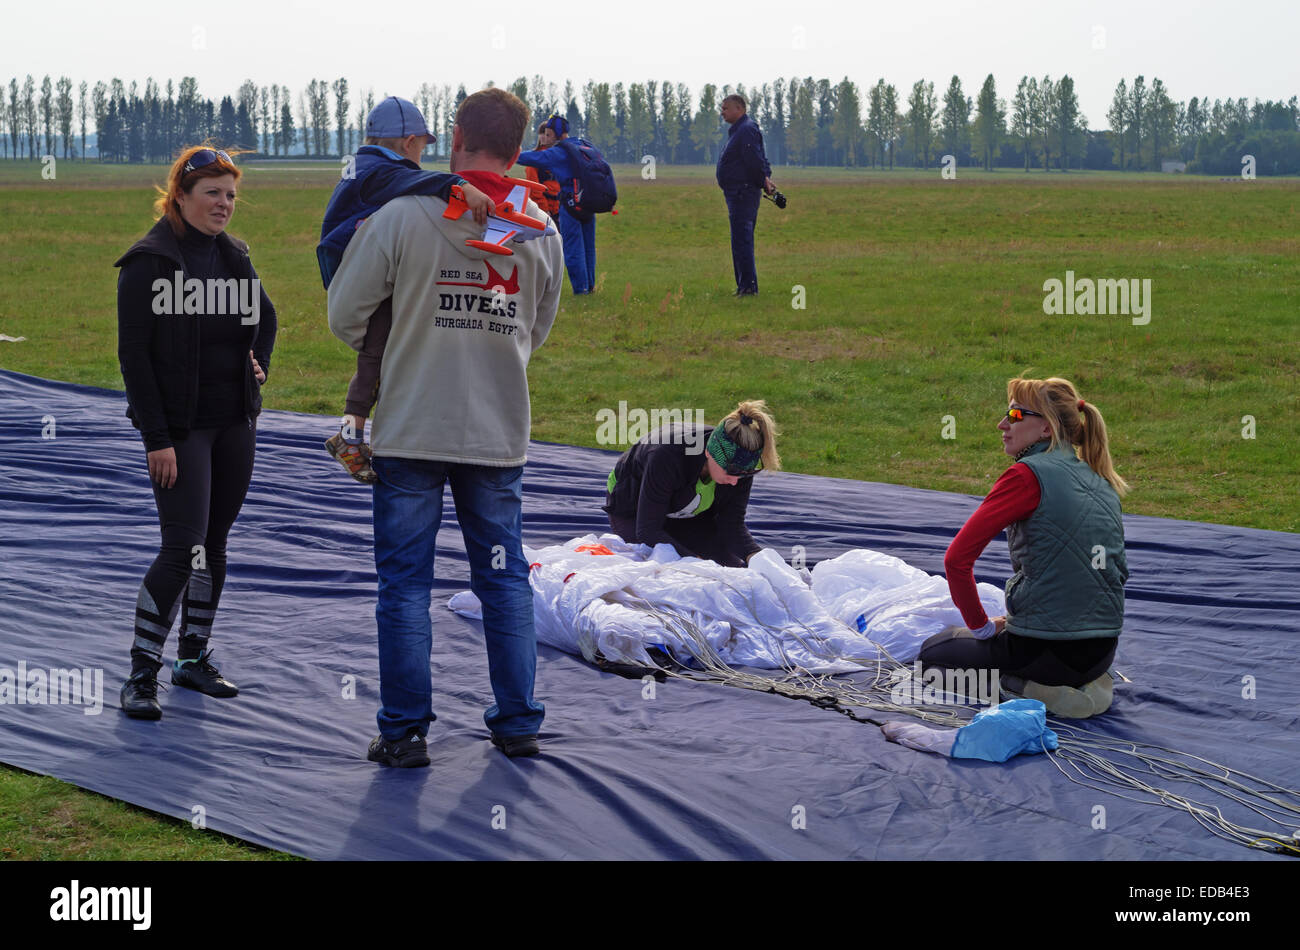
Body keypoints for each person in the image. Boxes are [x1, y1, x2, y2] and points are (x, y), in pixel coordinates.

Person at [328, 87, 563, 766]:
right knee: (503, 578)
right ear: (520, 148)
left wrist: (409, 333)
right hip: (495, 432)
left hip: (410, 428)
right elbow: (535, 329)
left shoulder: (400, 215)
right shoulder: (538, 229)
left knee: (405, 585)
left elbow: (345, 315)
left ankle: (404, 733)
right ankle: (517, 722)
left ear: (455, 136)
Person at [115, 145, 278, 719]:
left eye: (231, 194)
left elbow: (267, 317)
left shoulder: (233, 255)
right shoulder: (149, 261)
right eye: (212, 193)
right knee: (182, 548)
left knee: (214, 546)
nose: (225, 204)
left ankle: (191, 659)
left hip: (234, 423)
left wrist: (258, 363)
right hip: (180, 431)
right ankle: (140, 673)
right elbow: (133, 357)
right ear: (179, 196)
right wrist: (156, 438)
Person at [920, 376, 1129, 719]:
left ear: (1046, 429)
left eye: (1016, 416)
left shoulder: (1025, 476)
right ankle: (1089, 684)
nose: (1002, 424)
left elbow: (956, 560)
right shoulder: (1101, 480)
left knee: (933, 653)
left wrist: (983, 627)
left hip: (1043, 652)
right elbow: (1115, 573)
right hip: (1102, 652)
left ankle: (1027, 689)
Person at [317, 96, 492, 483]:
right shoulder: (376, 169)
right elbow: (412, 180)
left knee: (375, 355)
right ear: (409, 141)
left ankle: (350, 432)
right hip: (359, 270)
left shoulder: (365, 166)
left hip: (353, 265)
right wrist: (460, 185)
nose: (422, 154)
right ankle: (351, 436)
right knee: (376, 354)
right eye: (423, 146)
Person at [603, 401, 780, 567]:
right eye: (732, 473)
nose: (735, 481)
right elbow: (648, 530)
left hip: (687, 510)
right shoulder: (668, 457)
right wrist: (697, 563)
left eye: (745, 474)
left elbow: (732, 524)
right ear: (710, 453)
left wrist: (759, 559)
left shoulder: (740, 466)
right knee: (666, 569)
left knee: (734, 568)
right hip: (633, 506)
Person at [515, 115, 596, 295]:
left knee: (573, 248)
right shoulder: (584, 145)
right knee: (588, 246)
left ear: (552, 134)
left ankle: (581, 289)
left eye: (547, 134)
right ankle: (591, 286)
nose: (545, 137)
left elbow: (526, 158)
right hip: (589, 203)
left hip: (570, 205)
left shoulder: (559, 151)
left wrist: (507, 152)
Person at [715, 94, 776, 296]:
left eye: (725, 108)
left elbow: (754, 160)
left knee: (742, 240)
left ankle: (748, 288)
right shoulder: (739, 131)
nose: (722, 112)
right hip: (736, 193)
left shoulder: (746, 130)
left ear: (738, 109)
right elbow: (759, 158)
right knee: (739, 239)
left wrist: (763, 180)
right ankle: (744, 285)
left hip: (743, 193)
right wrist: (765, 177)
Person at [523, 122, 561, 225]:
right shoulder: (534, 159)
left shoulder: (559, 157)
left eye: (547, 134)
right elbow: (534, 189)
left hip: (560, 209)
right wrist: (544, 209)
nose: (544, 136)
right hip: (545, 210)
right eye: (541, 133)